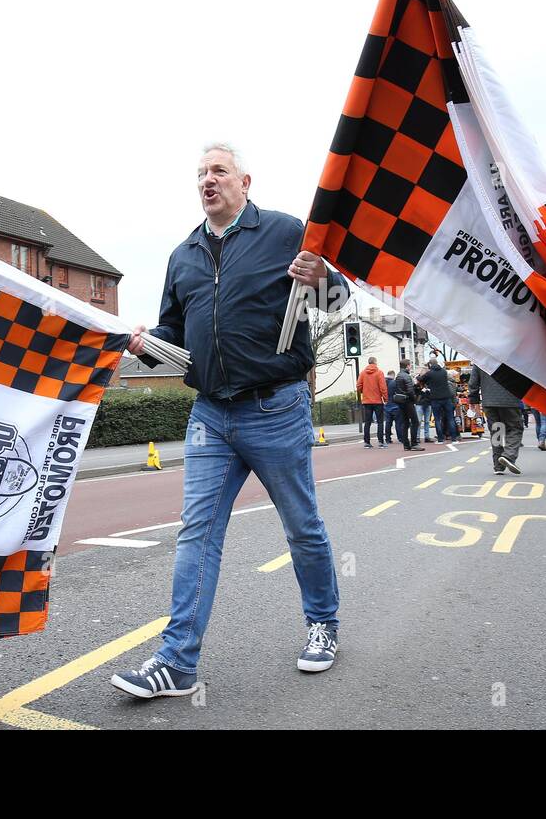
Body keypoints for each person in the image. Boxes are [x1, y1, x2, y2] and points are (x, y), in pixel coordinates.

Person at [111, 143, 346, 701]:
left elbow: (337, 300)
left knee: (301, 527)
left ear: (244, 180)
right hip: (210, 413)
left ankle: (324, 625)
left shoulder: (287, 232)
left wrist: (322, 277)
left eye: (217, 171)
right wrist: (148, 346)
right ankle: (177, 662)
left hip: (276, 407)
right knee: (198, 531)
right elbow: (174, 332)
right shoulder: (183, 255)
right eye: (199, 174)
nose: (206, 181)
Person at [468, 366, 523, 475]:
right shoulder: (514, 356)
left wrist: (473, 399)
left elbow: (473, 382)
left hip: (489, 401)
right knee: (515, 428)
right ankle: (508, 456)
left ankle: (498, 466)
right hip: (510, 400)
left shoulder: (480, 358)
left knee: (496, 431)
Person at [420, 358, 457, 443]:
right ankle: (454, 438)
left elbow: (421, 379)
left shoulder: (429, 373)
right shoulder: (444, 372)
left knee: (437, 419)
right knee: (450, 418)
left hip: (435, 398)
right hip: (446, 397)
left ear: (430, 364)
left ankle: (440, 439)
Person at [356, 356, 389, 449]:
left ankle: (367, 442)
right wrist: (385, 399)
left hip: (367, 401)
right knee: (380, 422)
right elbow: (383, 387)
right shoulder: (379, 373)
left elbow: (358, 386)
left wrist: (364, 391)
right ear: (375, 362)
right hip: (378, 400)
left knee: (367, 422)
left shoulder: (362, 373)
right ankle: (381, 442)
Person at [394, 360, 424, 450]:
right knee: (415, 422)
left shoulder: (398, 375)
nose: (410, 367)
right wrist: (415, 398)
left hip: (401, 401)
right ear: (407, 366)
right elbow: (410, 391)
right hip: (408, 401)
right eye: (410, 365)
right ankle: (414, 443)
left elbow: (399, 388)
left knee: (405, 422)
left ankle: (406, 445)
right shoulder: (406, 376)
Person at [384, 370, 398, 444]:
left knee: (388, 423)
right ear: (393, 375)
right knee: (398, 423)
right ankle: (400, 438)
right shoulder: (394, 382)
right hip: (395, 405)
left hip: (386, 405)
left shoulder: (383, 382)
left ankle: (387, 438)